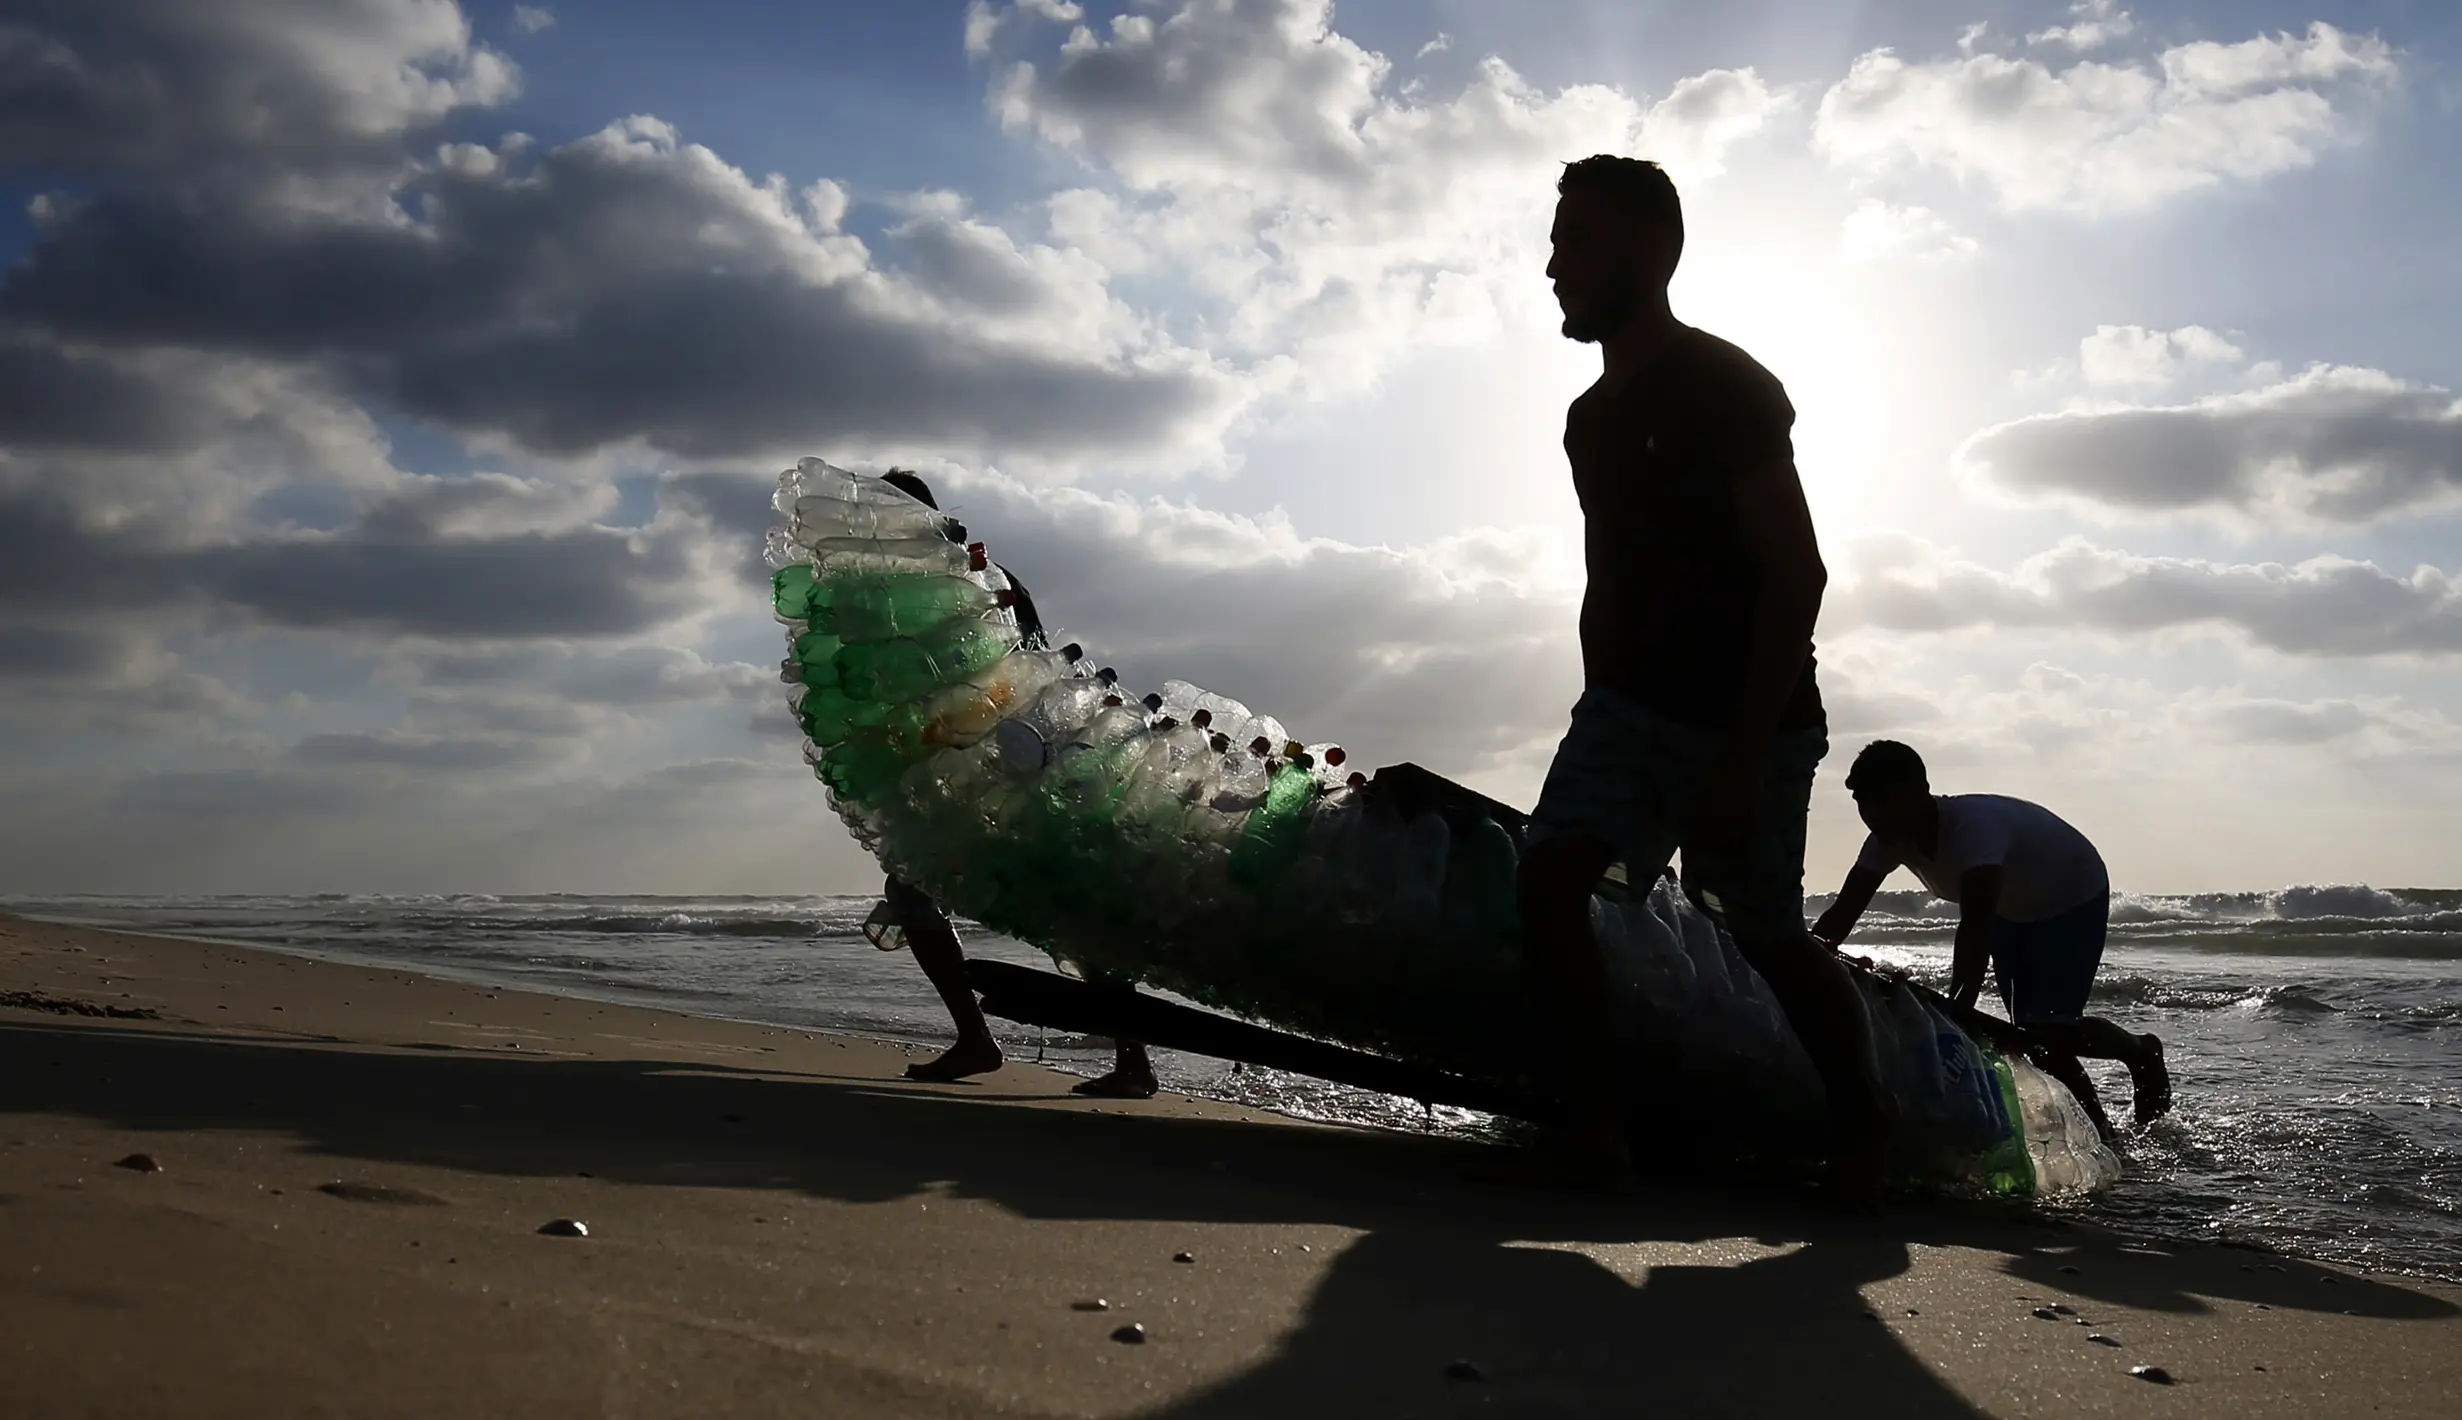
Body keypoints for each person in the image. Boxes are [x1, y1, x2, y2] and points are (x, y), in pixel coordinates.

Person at [1516, 155, 1893, 1200]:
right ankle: (1595, 1130)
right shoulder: (1586, 421)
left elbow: (1796, 571)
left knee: (1759, 930)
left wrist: (1736, 754)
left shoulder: (1725, 386)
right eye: (1553, 241)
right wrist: (1597, 707)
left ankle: (1865, 1124)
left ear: (1651, 246)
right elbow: (1607, 580)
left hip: (1748, 718)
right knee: (1548, 879)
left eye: (1576, 240)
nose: (1553, 265)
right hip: (1626, 713)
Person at [868, 469, 1158, 1099]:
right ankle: (1132, 1059)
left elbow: (995, 673)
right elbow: (1038, 664)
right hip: (1025, 762)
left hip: (992, 768)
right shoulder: (989, 574)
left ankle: (979, 1039)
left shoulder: (947, 584)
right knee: (1066, 902)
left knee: (917, 891)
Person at [1812, 740, 2170, 1137]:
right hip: (2012, 908)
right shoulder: (1885, 842)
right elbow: (1840, 916)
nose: (1872, 814)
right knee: (2031, 1035)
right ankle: (2103, 1132)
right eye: (1863, 801)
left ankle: (2139, 1055)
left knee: (2047, 1029)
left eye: (1882, 799)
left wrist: (1956, 1010)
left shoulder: (1972, 829)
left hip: (2071, 893)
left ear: (1919, 791)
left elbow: (1975, 930)